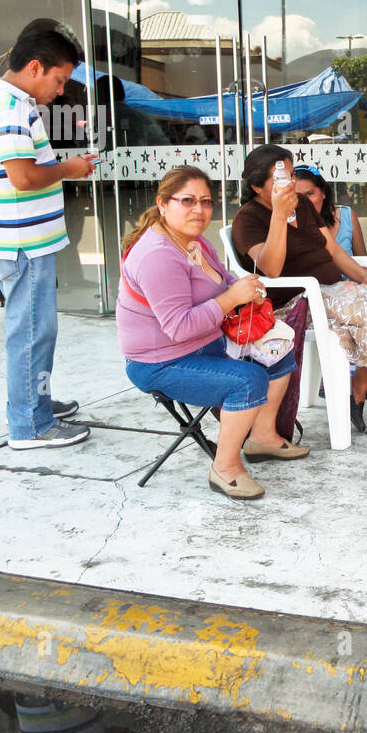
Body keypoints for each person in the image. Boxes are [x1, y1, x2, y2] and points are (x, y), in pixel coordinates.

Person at [119, 166, 303, 500]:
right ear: (163, 203)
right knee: (248, 380)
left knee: (278, 349)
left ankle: (262, 437)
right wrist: (232, 298)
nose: (199, 210)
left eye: (206, 202)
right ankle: (225, 468)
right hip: (161, 361)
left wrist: (243, 287)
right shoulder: (157, 255)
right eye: (187, 201)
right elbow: (178, 328)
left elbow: (221, 280)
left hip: (203, 343)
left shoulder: (193, 240)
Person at [0, 29, 99, 449]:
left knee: (36, 330)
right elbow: (23, 177)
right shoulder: (8, 108)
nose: (60, 91)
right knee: (31, 332)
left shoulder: (8, 102)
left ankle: (35, 401)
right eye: (59, 80)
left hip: (24, 239)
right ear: (35, 67)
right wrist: (70, 168)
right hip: (21, 242)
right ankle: (30, 424)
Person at [232, 145, 367, 433]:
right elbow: (272, 269)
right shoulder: (249, 218)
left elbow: (333, 250)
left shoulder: (302, 205)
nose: (289, 184)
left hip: (333, 290)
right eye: (280, 178)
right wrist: (279, 216)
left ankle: (359, 386)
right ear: (256, 186)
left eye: (291, 175)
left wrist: (364, 276)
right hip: (296, 302)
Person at [293, 165, 366, 257]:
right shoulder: (286, 225)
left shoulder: (346, 215)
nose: (304, 201)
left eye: (309, 194)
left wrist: (363, 272)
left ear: (323, 193)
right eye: (296, 196)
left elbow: (363, 261)